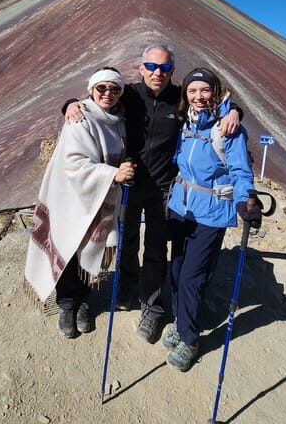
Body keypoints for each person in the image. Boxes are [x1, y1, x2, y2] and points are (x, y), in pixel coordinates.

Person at [65, 45, 243, 344]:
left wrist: (237, 111)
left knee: (157, 251)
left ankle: (153, 307)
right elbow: (97, 101)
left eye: (164, 68)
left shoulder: (180, 98)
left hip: (165, 190)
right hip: (130, 184)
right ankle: (126, 285)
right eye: (151, 66)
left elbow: (215, 103)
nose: (157, 72)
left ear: (172, 71)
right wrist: (70, 103)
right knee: (127, 241)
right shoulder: (129, 95)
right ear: (141, 68)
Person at [162, 67, 261, 371]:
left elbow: (241, 171)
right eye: (192, 91)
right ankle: (181, 322)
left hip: (212, 212)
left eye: (204, 90)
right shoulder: (185, 122)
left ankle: (190, 339)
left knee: (192, 275)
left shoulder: (228, 129)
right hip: (182, 207)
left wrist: (246, 199)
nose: (198, 96)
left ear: (215, 92)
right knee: (177, 270)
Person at [25, 68, 136, 338]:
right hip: (71, 197)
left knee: (91, 248)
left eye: (114, 89)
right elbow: (74, 163)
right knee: (68, 246)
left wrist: (233, 110)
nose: (108, 93)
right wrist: (113, 174)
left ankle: (84, 299)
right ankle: (66, 304)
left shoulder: (120, 118)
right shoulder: (79, 116)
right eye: (101, 88)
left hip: (101, 197)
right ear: (91, 90)